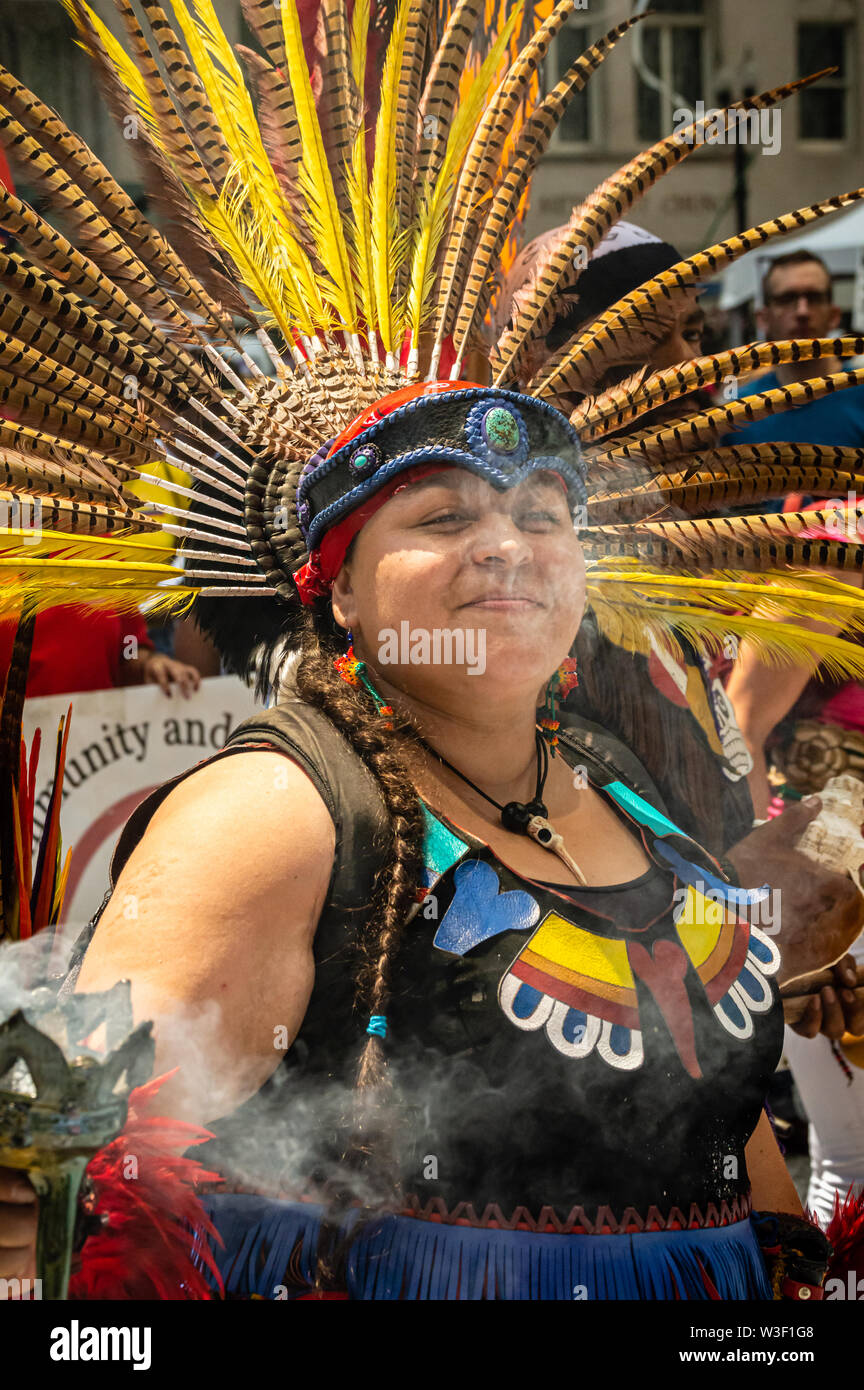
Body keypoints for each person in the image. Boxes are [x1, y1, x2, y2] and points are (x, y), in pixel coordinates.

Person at [2, 0, 864, 1302]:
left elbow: (718, 1118)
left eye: (539, 516)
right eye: (445, 516)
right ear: (337, 588)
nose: (505, 547)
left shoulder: (622, 784)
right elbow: (112, 1236)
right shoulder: (271, 817)